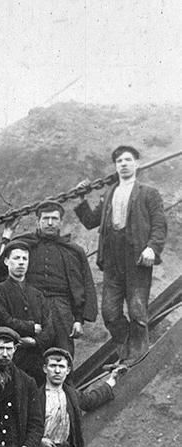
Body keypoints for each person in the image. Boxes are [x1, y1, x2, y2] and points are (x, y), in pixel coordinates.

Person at [73, 145, 167, 364]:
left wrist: (152, 247)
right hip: (112, 261)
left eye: (128, 160)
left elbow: (159, 224)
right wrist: (81, 198)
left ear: (137, 164)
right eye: (119, 161)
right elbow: (89, 221)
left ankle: (139, 355)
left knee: (136, 311)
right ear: (116, 166)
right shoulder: (110, 193)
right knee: (110, 313)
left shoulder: (148, 193)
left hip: (137, 260)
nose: (123, 164)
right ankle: (127, 354)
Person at [0, 201, 98, 355]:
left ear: (61, 222)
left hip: (61, 308)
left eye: (54, 219)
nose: (50, 223)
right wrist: (8, 233)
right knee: (30, 353)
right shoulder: (24, 243)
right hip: (31, 305)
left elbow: (84, 284)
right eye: (45, 219)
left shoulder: (73, 250)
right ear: (37, 221)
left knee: (62, 351)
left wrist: (79, 320)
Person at [24, 347, 121, 447]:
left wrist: (112, 380)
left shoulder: (71, 395)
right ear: (44, 369)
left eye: (61, 367)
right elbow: (24, 423)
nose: (57, 371)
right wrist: (39, 440)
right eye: (53, 366)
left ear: (68, 370)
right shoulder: (34, 395)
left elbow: (91, 400)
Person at [0, 239, 54, 383]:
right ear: (6, 261)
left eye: (25, 258)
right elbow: (2, 321)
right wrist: (31, 327)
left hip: (36, 360)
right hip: (10, 359)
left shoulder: (37, 294)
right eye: (16, 258)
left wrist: (35, 342)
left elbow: (49, 328)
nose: (21, 262)